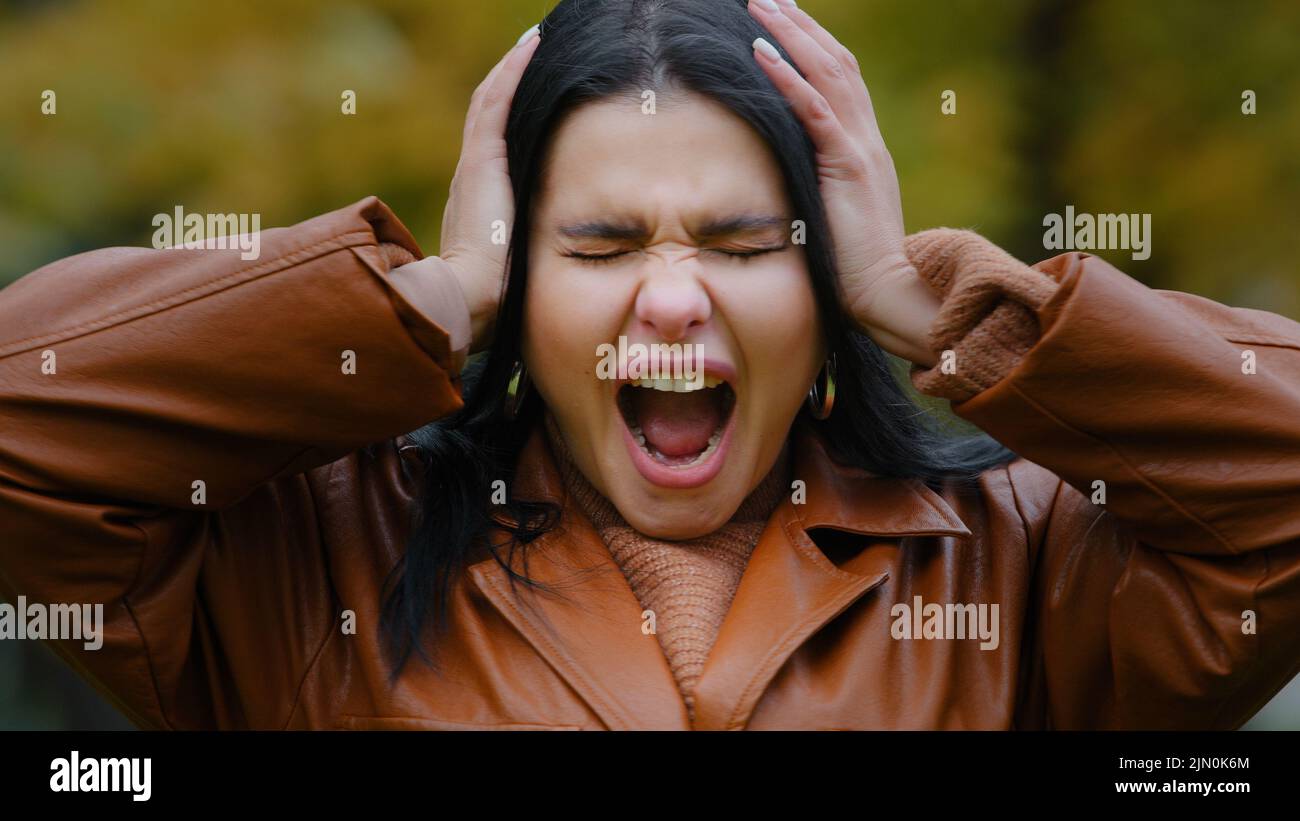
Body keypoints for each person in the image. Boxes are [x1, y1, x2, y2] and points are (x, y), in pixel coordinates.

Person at [1, 0, 1297, 730]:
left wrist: (943, 303)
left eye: (743, 244)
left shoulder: (1027, 564)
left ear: (825, 284)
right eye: (601, 242)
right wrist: (432, 298)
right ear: (523, 280)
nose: (672, 298)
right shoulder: (302, 564)